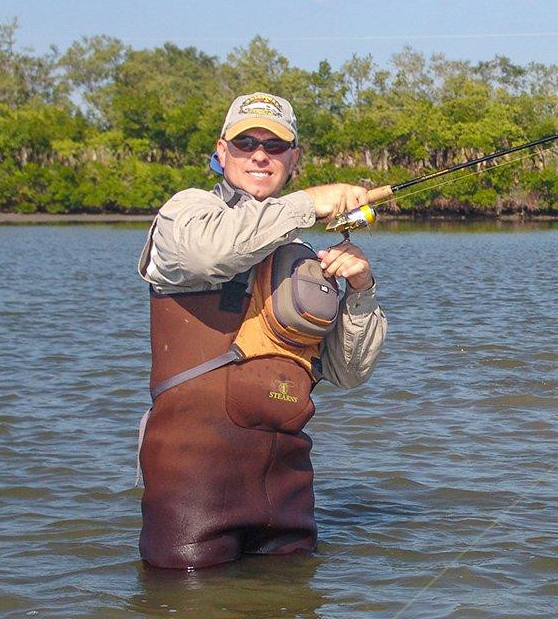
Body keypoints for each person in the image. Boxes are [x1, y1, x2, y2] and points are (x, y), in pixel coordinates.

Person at [135, 92, 386, 569]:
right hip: (194, 482)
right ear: (221, 150)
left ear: (294, 159)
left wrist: (360, 290)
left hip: (286, 486)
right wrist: (308, 202)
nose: (259, 154)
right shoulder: (187, 214)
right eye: (246, 141)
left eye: (274, 146)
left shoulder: (304, 254)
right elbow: (210, 255)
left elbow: (348, 373)